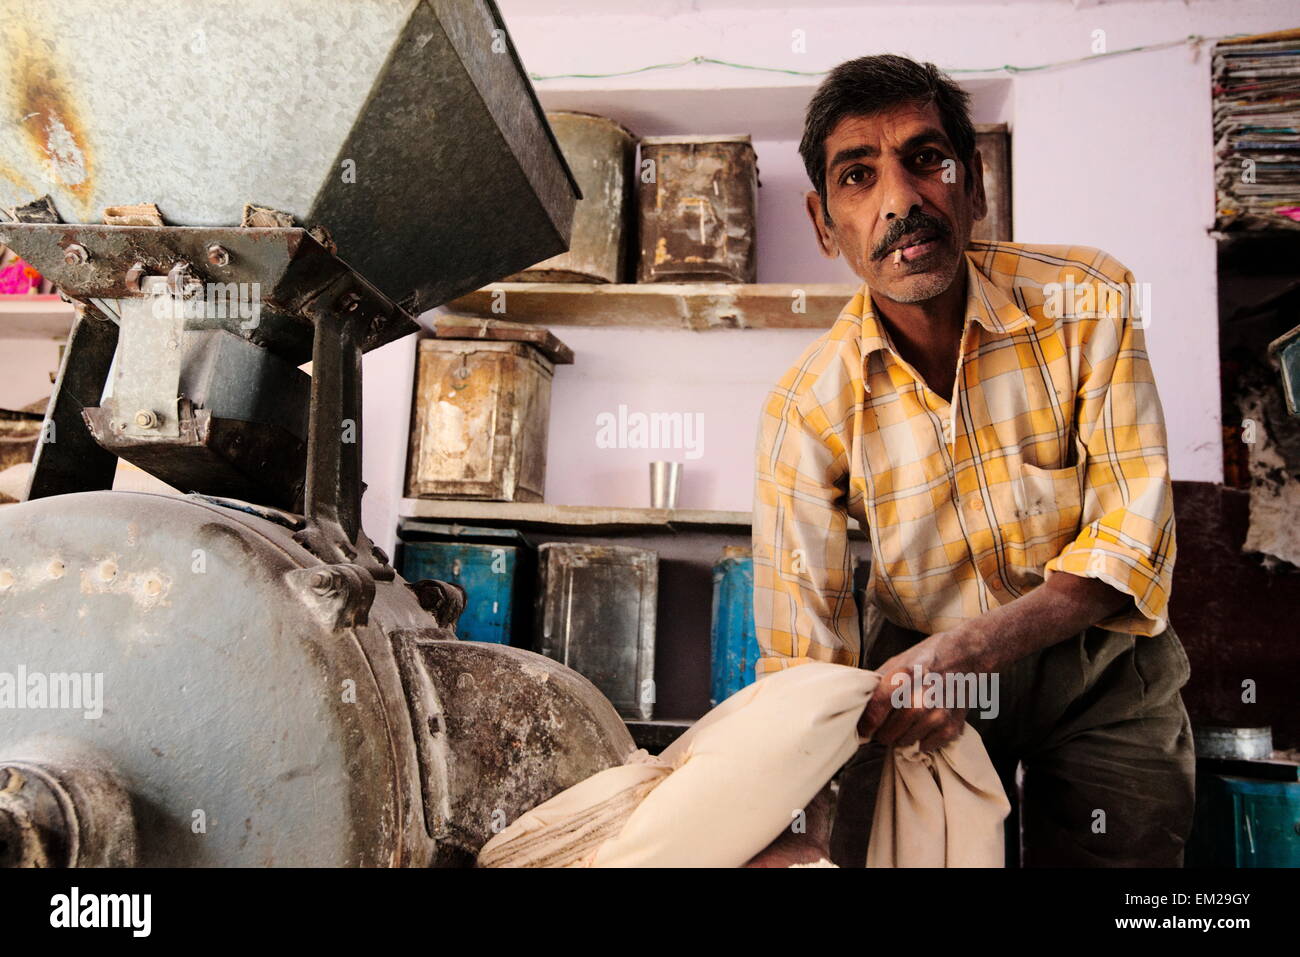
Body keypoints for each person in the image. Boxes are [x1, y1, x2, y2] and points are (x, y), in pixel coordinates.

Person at [749, 54, 1194, 867]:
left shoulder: (1087, 296)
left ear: (974, 184)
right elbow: (802, 659)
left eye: (927, 159)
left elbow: (1131, 535)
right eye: (859, 175)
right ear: (824, 224)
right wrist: (794, 828)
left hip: (1102, 661)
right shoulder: (804, 407)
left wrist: (975, 651)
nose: (902, 199)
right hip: (920, 674)